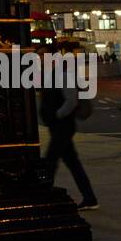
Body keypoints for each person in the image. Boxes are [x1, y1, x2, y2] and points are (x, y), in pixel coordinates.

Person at [40, 42, 98, 210]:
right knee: (73, 163)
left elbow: (71, 100)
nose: (40, 58)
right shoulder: (49, 75)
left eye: (43, 55)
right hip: (56, 126)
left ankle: (43, 195)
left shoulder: (63, 75)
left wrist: (58, 115)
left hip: (63, 126)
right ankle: (90, 198)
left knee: (50, 160)